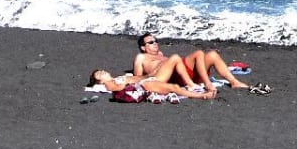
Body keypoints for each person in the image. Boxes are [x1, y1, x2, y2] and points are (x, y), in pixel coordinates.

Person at [133, 33, 249, 91]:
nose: (155, 43)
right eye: (151, 42)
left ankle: (234, 82)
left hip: (183, 72)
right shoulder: (141, 57)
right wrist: (151, 74)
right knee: (198, 53)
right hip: (176, 76)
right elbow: (138, 78)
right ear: (143, 47)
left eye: (156, 41)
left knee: (213, 54)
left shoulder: (161, 54)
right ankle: (208, 83)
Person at [88, 65, 216, 101]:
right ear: (100, 81)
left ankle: (195, 84)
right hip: (143, 85)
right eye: (100, 74)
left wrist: (149, 75)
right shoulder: (108, 84)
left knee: (172, 79)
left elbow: (133, 79)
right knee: (173, 87)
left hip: (144, 81)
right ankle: (202, 95)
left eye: (101, 71)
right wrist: (127, 81)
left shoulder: (115, 78)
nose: (103, 71)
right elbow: (118, 88)